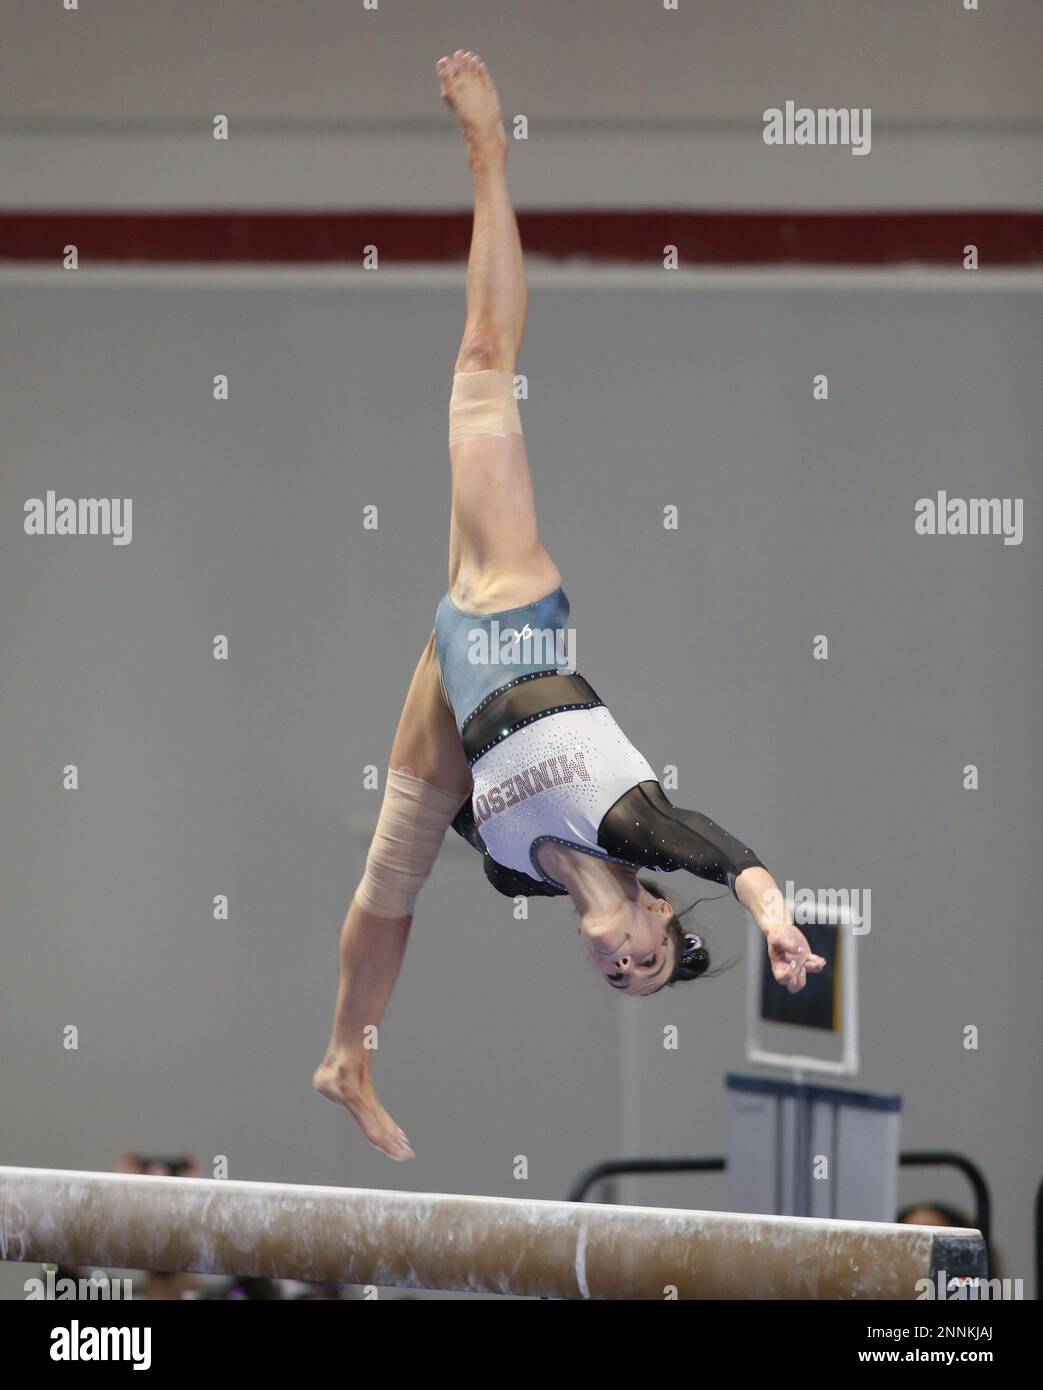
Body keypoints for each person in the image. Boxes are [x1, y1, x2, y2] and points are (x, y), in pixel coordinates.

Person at [314, 51, 825, 1160]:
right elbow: (726, 853)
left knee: (391, 876)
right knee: (483, 361)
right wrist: (776, 918)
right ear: (651, 909)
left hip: (453, 689)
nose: (627, 967)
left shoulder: (509, 868)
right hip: (508, 609)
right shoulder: (632, 821)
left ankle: (348, 1050)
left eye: (623, 982)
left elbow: (436, 838)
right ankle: (488, 152)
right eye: (648, 956)